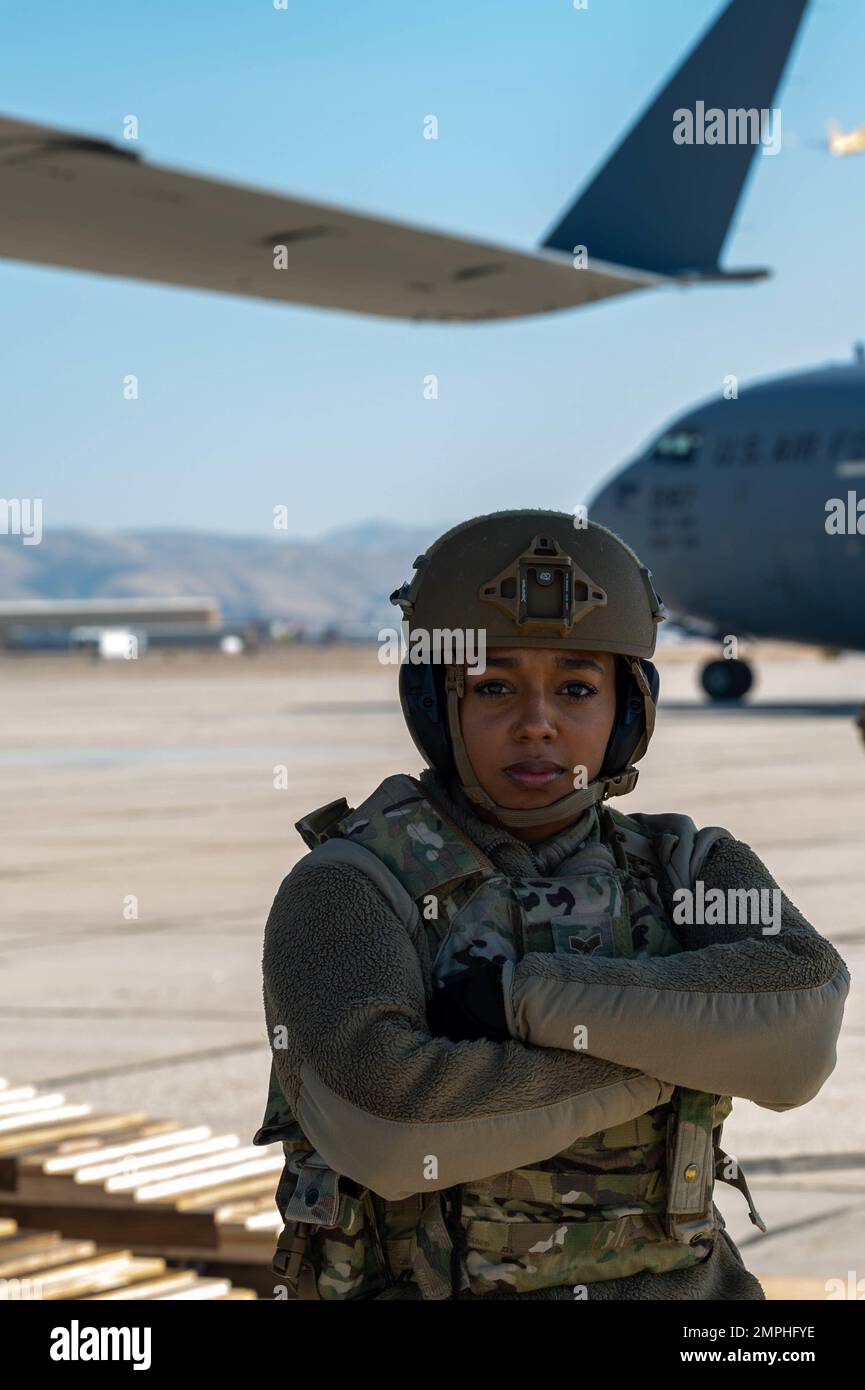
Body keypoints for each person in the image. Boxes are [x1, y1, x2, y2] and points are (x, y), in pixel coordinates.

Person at [252, 509, 850, 1301]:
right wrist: (683, 1050)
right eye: (494, 687)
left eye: (575, 689)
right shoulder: (351, 887)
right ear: (436, 705)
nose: (536, 725)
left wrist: (517, 1000)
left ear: (627, 710)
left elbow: (800, 1027)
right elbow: (391, 1124)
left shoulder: (687, 864)